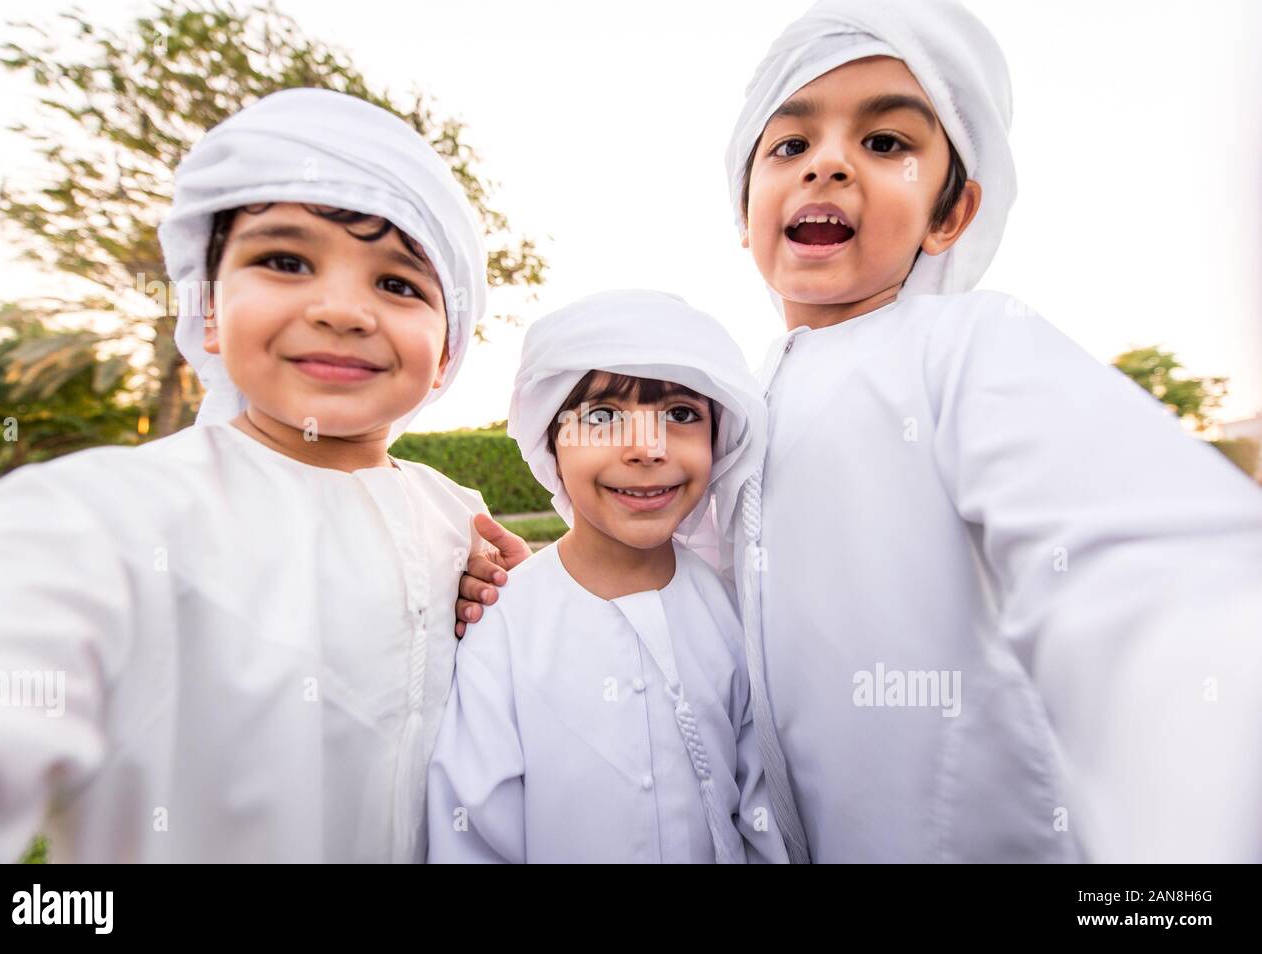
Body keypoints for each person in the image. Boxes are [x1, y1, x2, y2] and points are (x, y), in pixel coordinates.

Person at [459, 0, 1262, 863]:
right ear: (746, 206)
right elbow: (674, 574)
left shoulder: (966, 347)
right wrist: (532, 581)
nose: (829, 164)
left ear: (950, 214)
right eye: (790, 145)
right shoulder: (741, 404)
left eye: (886, 143)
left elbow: (1151, 569)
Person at [0, 88, 494, 863]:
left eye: (399, 283)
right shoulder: (108, 518)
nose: (343, 309)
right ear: (207, 308)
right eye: (286, 261)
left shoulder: (458, 516)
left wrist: (508, 609)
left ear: (447, 349)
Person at [427, 290, 787, 863]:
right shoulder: (505, 621)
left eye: (681, 415)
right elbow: (471, 829)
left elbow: (763, 809)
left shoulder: (732, 611)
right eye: (602, 418)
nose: (646, 449)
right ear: (551, 441)